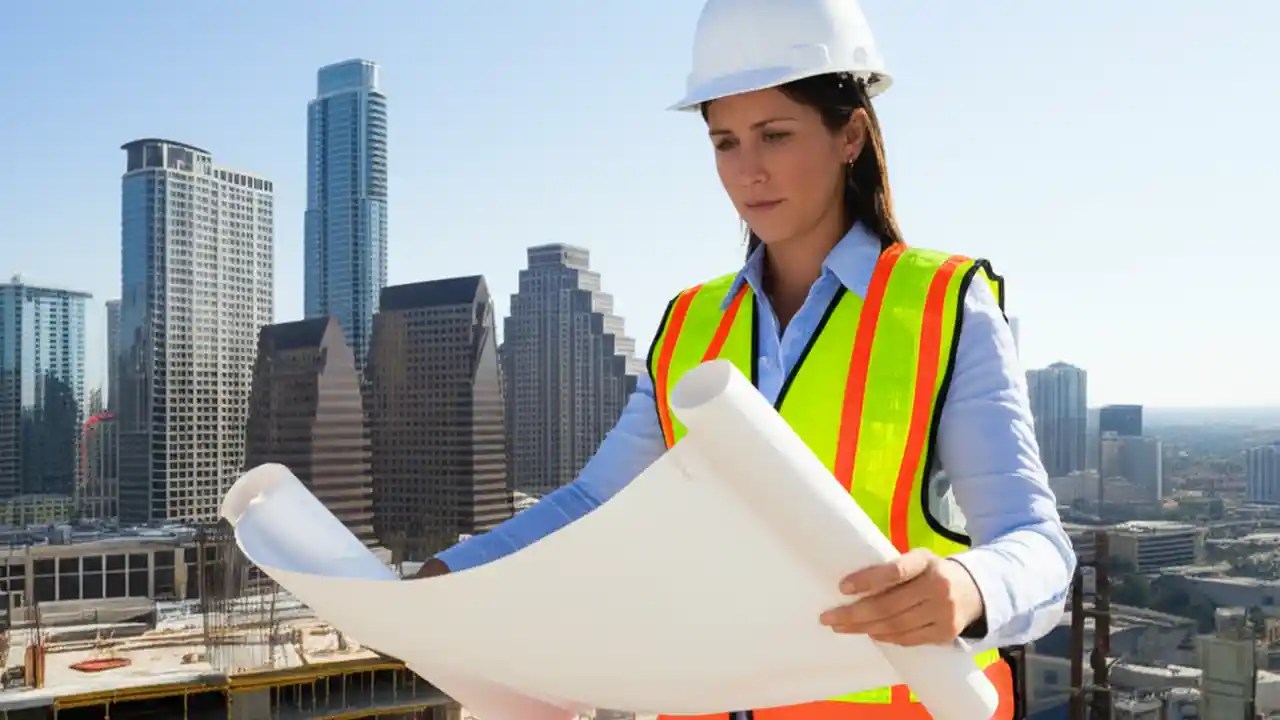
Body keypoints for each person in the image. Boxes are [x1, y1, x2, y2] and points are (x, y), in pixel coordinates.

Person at [415, 0, 1075, 717]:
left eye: (776, 134)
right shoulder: (691, 325)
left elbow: (1037, 546)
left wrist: (968, 587)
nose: (748, 170)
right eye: (725, 142)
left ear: (850, 134)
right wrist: (449, 574)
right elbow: (594, 503)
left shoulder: (943, 307)